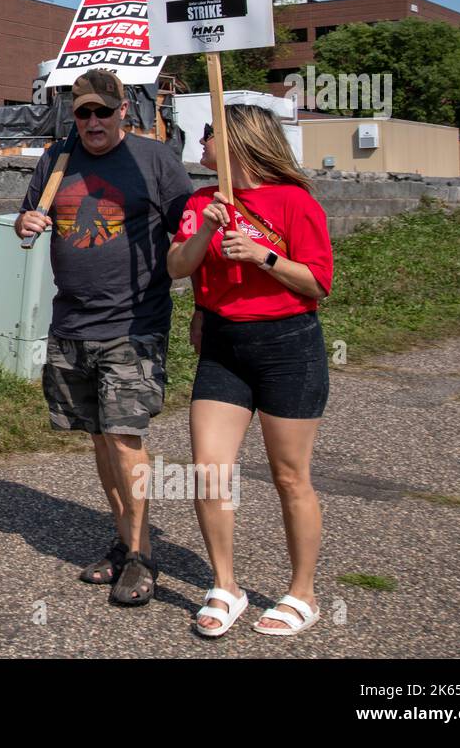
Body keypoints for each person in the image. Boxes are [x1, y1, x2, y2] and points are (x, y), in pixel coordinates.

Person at [16, 69, 192, 606]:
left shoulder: (155, 160)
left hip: (132, 323)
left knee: (123, 437)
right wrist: (27, 225)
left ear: (124, 112)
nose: (93, 121)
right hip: (72, 322)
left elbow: (189, 230)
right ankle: (123, 541)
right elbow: (32, 215)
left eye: (102, 112)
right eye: (83, 112)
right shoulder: (55, 161)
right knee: (97, 436)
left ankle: (142, 557)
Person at [167, 104, 333, 637]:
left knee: (289, 476)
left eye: (210, 133)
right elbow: (177, 267)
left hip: (288, 346)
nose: (202, 142)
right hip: (223, 346)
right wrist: (204, 234)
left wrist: (263, 256)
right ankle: (226, 585)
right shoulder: (200, 201)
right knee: (209, 470)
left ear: (237, 140)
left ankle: (302, 592)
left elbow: (317, 284)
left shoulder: (294, 201)